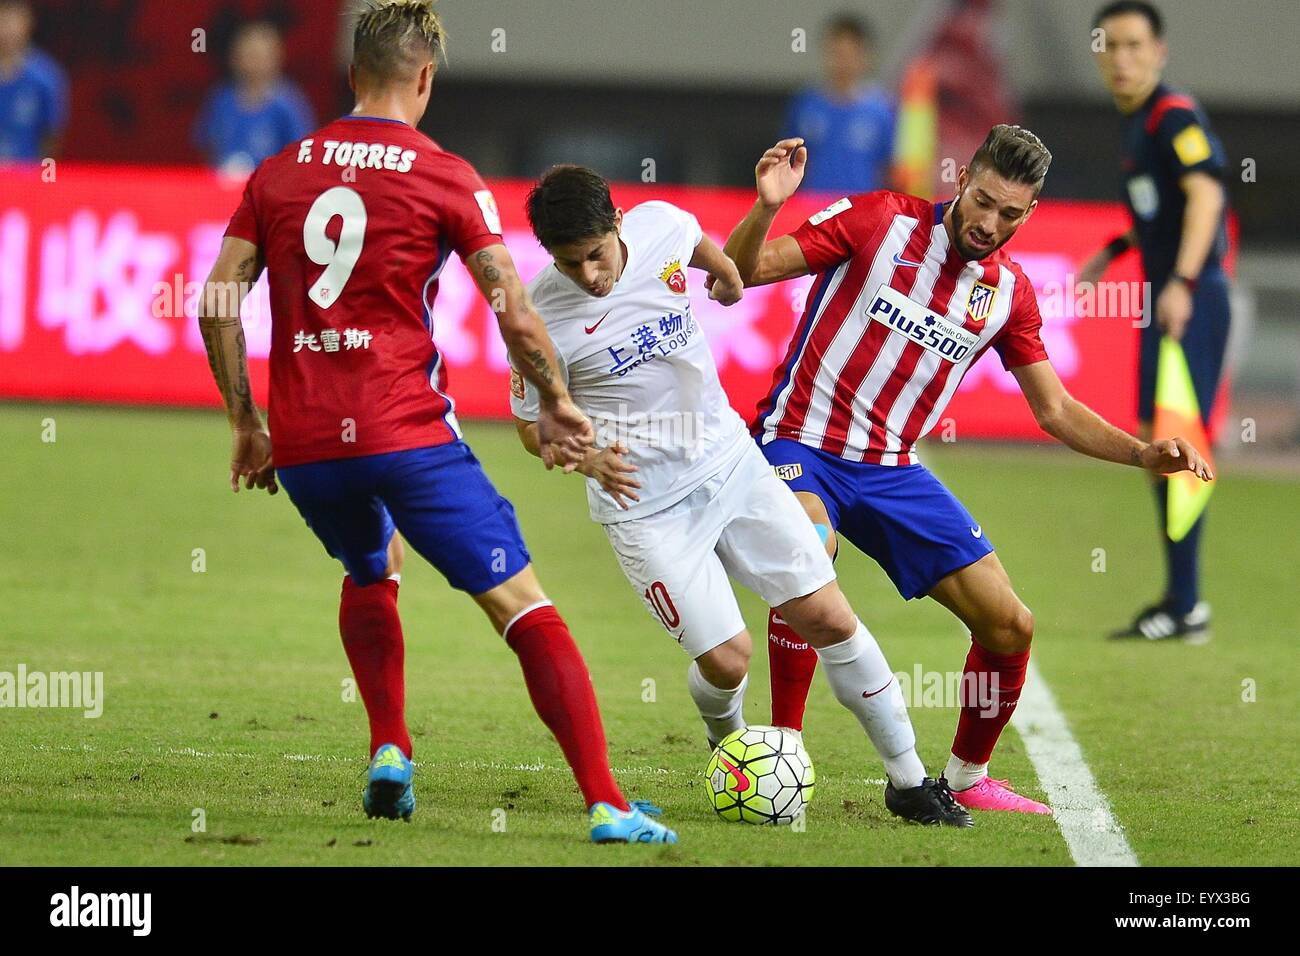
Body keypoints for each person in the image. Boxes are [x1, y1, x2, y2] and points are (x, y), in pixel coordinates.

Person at [196, 0, 675, 844]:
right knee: (522, 606)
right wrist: (559, 402)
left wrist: (245, 419)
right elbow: (515, 311)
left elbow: (217, 298)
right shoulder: (445, 174)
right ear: (425, 77)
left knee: (371, 566)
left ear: (352, 75)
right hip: (407, 433)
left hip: (307, 444)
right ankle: (607, 803)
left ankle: (389, 748)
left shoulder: (277, 171)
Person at [722, 126, 1213, 814]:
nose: (989, 223)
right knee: (808, 549)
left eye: (1010, 214)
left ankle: (965, 777)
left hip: (892, 470)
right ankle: (784, 748)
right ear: (962, 181)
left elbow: (1055, 409)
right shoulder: (878, 222)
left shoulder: (1009, 293)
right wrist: (768, 206)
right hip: (798, 443)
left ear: (1030, 212)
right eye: (982, 201)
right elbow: (737, 276)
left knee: (1010, 624)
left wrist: (1140, 452)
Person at [511, 165, 971, 826]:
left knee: (830, 618)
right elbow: (532, 427)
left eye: (595, 255)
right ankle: (728, 744)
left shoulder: (661, 225)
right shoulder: (538, 319)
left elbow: (703, 248)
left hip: (730, 463)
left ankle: (908, 779)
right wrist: (585, 459)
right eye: (569, 263)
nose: (588, 274)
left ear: (618, 223)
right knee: (728, 662)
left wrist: (730, 263)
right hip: (645, 505)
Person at [1081, 0, 1230, 642]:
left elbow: (1207, 194)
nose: (1123, 58)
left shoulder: (1172, 116)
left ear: (1159, 52)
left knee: (1178, 441)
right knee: (1156, 444)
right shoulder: (1137, 124)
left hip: (1190, 300)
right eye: (1111, 46)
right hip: (1166, 295)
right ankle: (1180, 596)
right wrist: (1115, 251)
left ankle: (1188, 604)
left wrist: (1184, 283)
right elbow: (1158, 216)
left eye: (1136, 45)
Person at [784, 13, 895, 195]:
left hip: (861, 208)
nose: (842, 62)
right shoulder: (806, 103)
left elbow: (888, 167)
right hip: (811, 207)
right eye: (836, 53)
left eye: (849, 54)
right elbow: (789, 159)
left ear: (864, 56)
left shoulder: (881, 110)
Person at [193, 21, 315, 174]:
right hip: (223, 186)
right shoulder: (221, 98)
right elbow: (206, 143)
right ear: (234, 58)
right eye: (248, 55)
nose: (254, 63)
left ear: (276, 57)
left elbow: (302, 154)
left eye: (259, 56)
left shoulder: (289, 104)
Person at [0, 0, 68, 162]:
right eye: (3, 20)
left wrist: (42, 179)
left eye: (13, 20)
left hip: (26, 176)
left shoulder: (46, 77)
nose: (7, 29)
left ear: (28, 22)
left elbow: (52, 135)